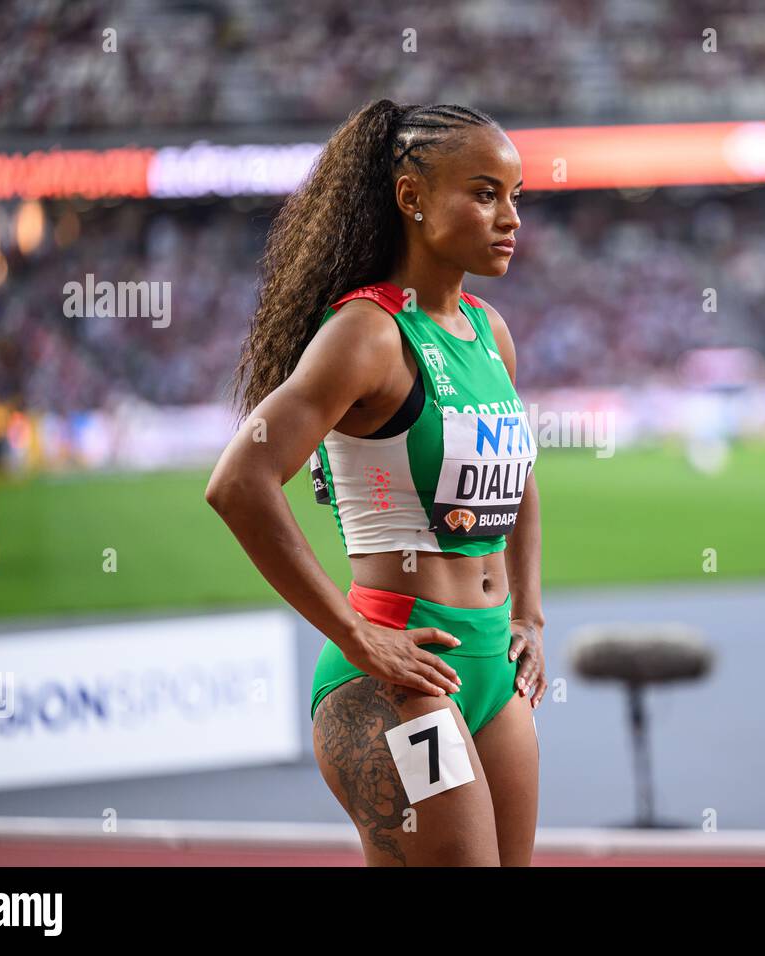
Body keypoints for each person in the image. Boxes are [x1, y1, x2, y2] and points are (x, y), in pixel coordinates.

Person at [205, 100, 545, 866]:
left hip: (491, 668)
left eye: (516, 197)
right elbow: (239, 481)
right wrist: (356, 636)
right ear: (412, 198)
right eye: (485, 192)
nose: (510, 217)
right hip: (398, 673)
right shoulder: (367, 334)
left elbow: (519, 481)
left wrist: (531, 615)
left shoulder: (488, 334)